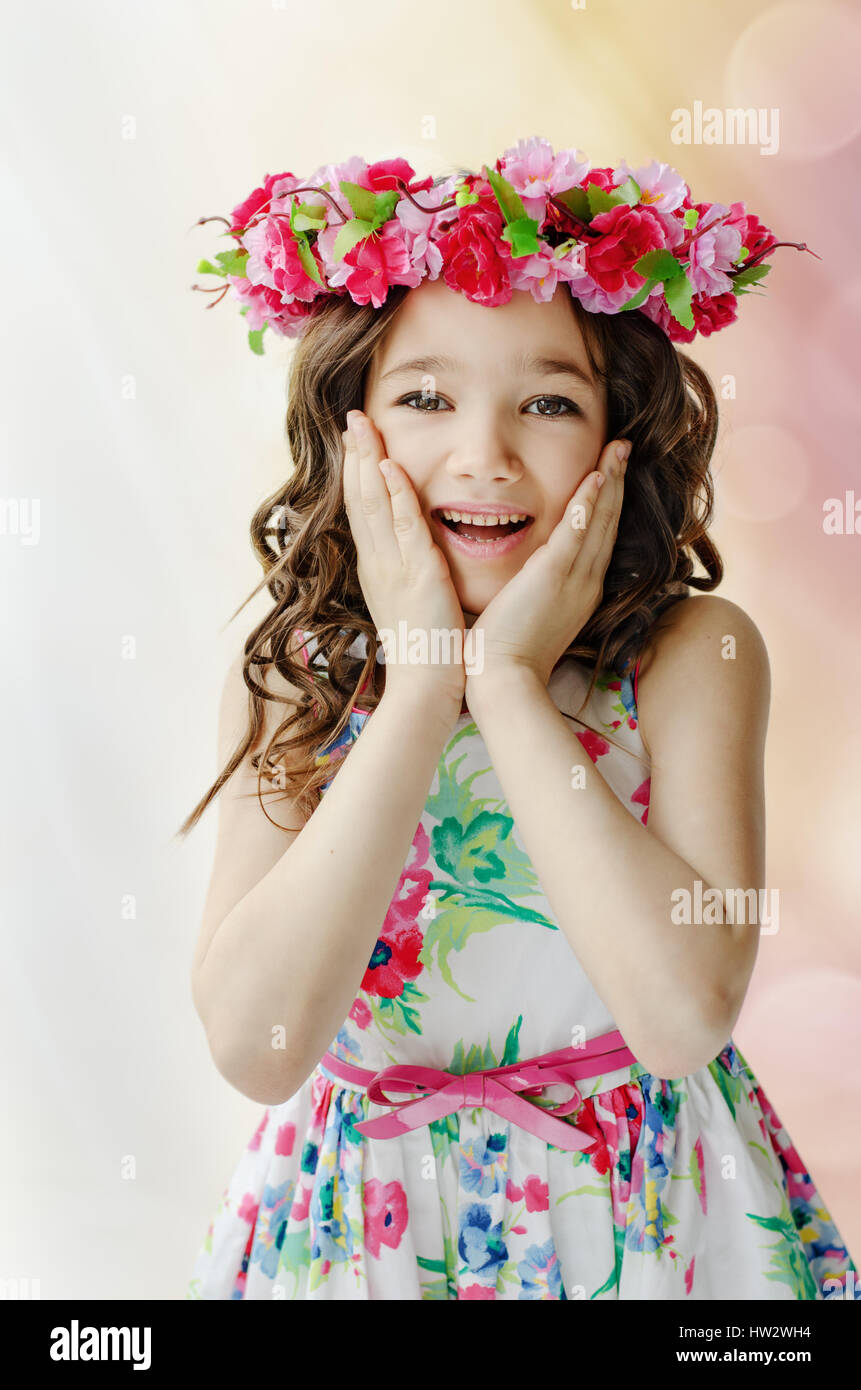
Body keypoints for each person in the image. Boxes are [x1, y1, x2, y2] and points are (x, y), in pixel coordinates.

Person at [180, 139, 856, 1300]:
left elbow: (682, 1015)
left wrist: (507, 688)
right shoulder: (300, 671)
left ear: (618, 438)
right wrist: (427, 679)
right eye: (426, 397)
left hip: (642, 1222)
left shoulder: (693, 656)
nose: (483, 453)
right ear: (353, 432)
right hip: (366, 1231)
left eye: (548, 400)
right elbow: (260, 1046)